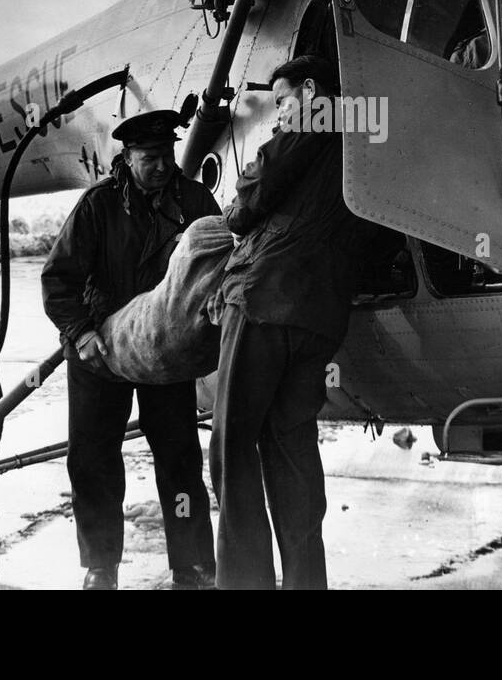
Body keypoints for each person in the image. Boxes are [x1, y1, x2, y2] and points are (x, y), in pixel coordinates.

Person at [41, 109, 218, 590]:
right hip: (100, 351)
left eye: (167, 155)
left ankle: (192, 563)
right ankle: (101, 567)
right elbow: (58, 281)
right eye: (150, 158)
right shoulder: (98, 206)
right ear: (128, 157)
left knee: (180, 458)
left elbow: (220, 260)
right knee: (93, 461)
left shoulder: (194, 200)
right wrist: (81, 333)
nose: (161, 166)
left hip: (166, 352)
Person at [210, 55, 367, 589]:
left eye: (282, 102)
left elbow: (251, 196)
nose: (279, 114)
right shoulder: (367, 134)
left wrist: (237, 212)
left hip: (263, 301)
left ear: (310, 89)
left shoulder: (317, 115)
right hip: (321, 317)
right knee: (292, 450)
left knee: (233, 447)